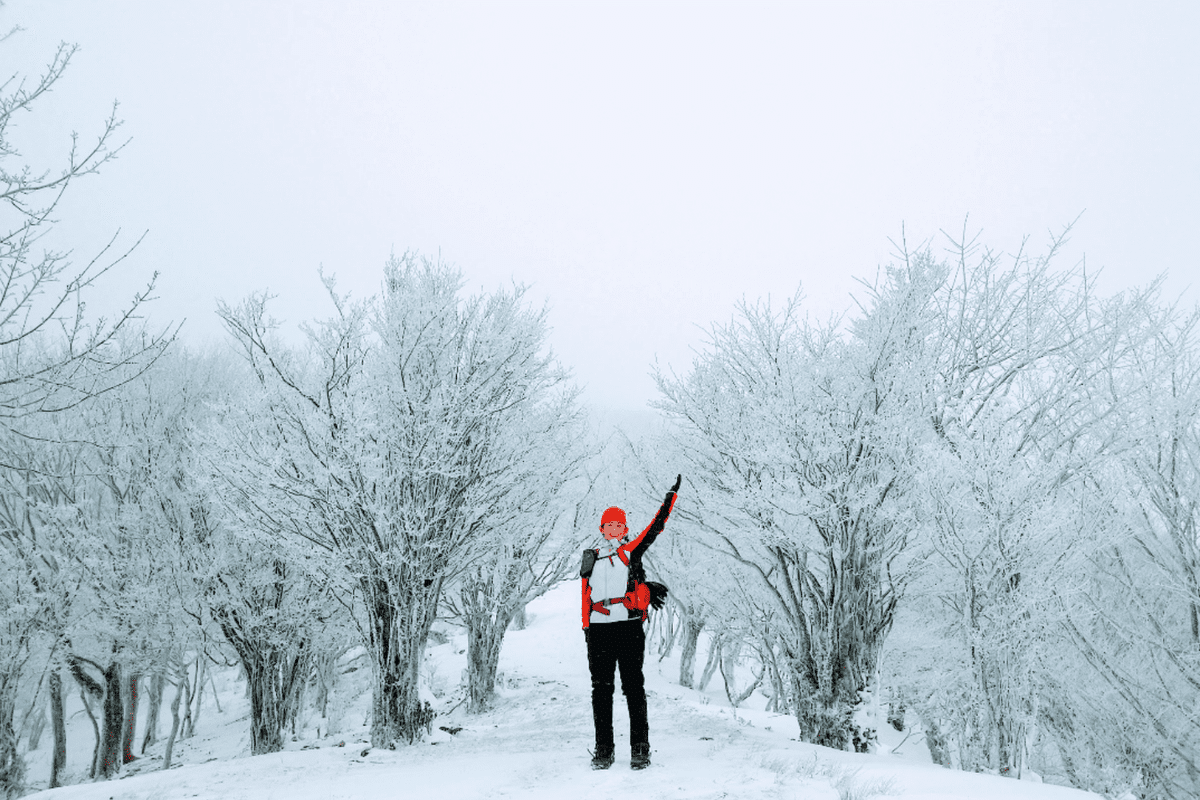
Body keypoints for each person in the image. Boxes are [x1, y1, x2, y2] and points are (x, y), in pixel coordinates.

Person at [580, 473, 681, 771]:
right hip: (598, 630)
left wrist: (669, 499)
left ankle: (640, 748)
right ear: (601, 528)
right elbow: (585, 595)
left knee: (633, 687)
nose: (613, 528)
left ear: (624, 529)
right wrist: (586, 628)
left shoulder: (630, 551)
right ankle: (603, 748)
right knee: (601, 689)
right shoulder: (591, 557)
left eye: (618, 524)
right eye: (608, 524)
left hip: (628, 628)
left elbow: (655, 528)